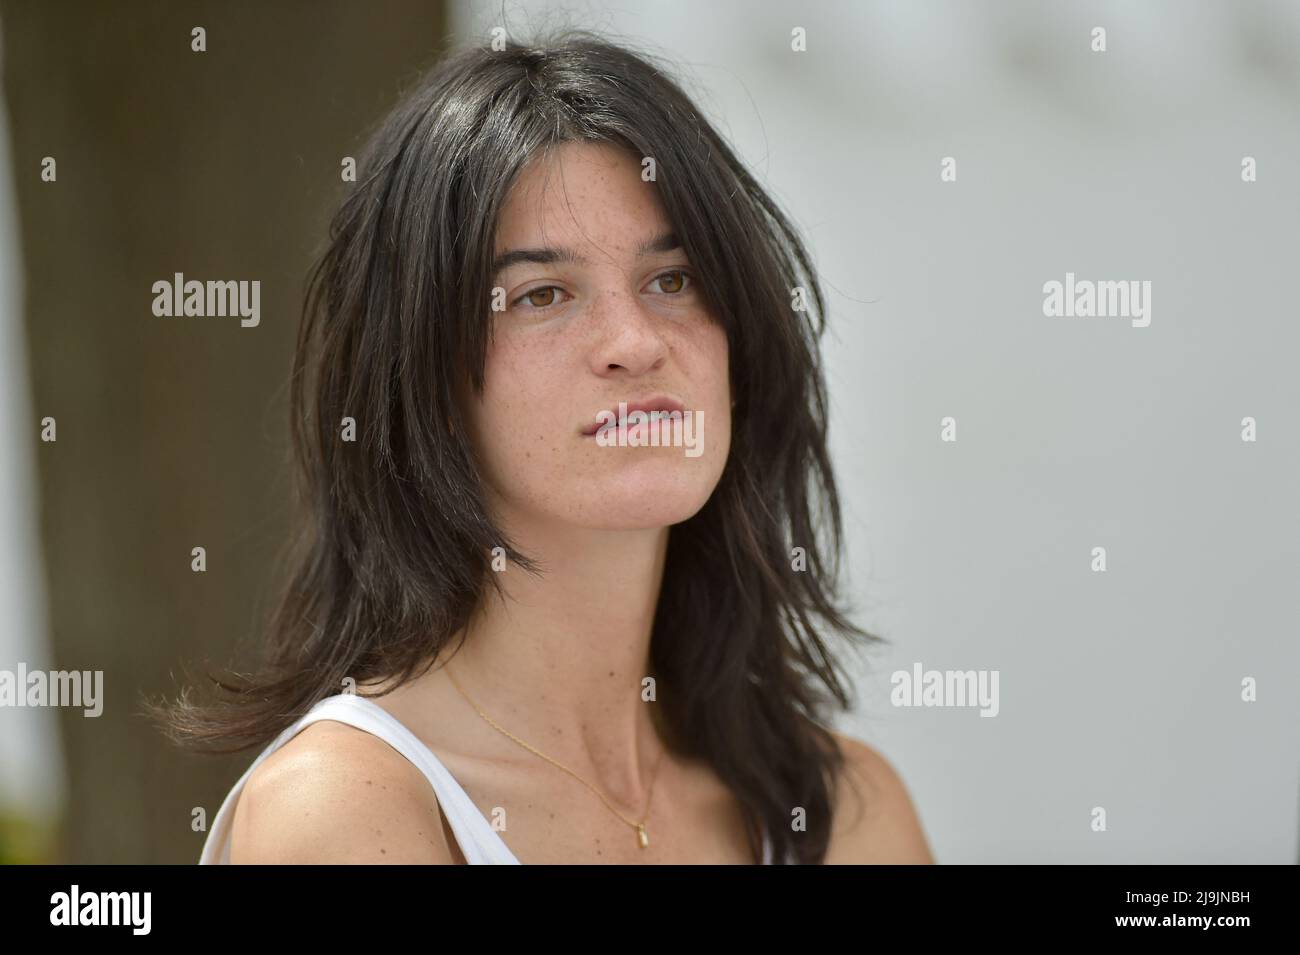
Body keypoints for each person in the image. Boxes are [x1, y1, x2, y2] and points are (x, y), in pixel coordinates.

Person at [153, 31, 933, 865]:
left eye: (673, 279)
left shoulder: (841, 808)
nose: (634, 341)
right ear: (429, 385)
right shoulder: (346, 806)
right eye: (543, 294)